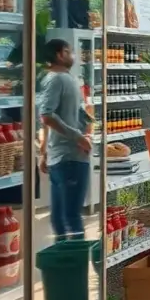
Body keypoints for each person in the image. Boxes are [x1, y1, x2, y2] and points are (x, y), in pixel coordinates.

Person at [38, 39, 93, 242]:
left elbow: (53, 116)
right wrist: (79, 137)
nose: (73, 55)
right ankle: (74, 265)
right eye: (70, 51)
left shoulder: (60, 79)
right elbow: (46, 116)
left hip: (59, 157)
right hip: (71, 156)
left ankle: (62, 262)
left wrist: (44, 152)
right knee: (71, 216)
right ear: (60, 54)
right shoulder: (58, 80)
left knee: (61, 217)